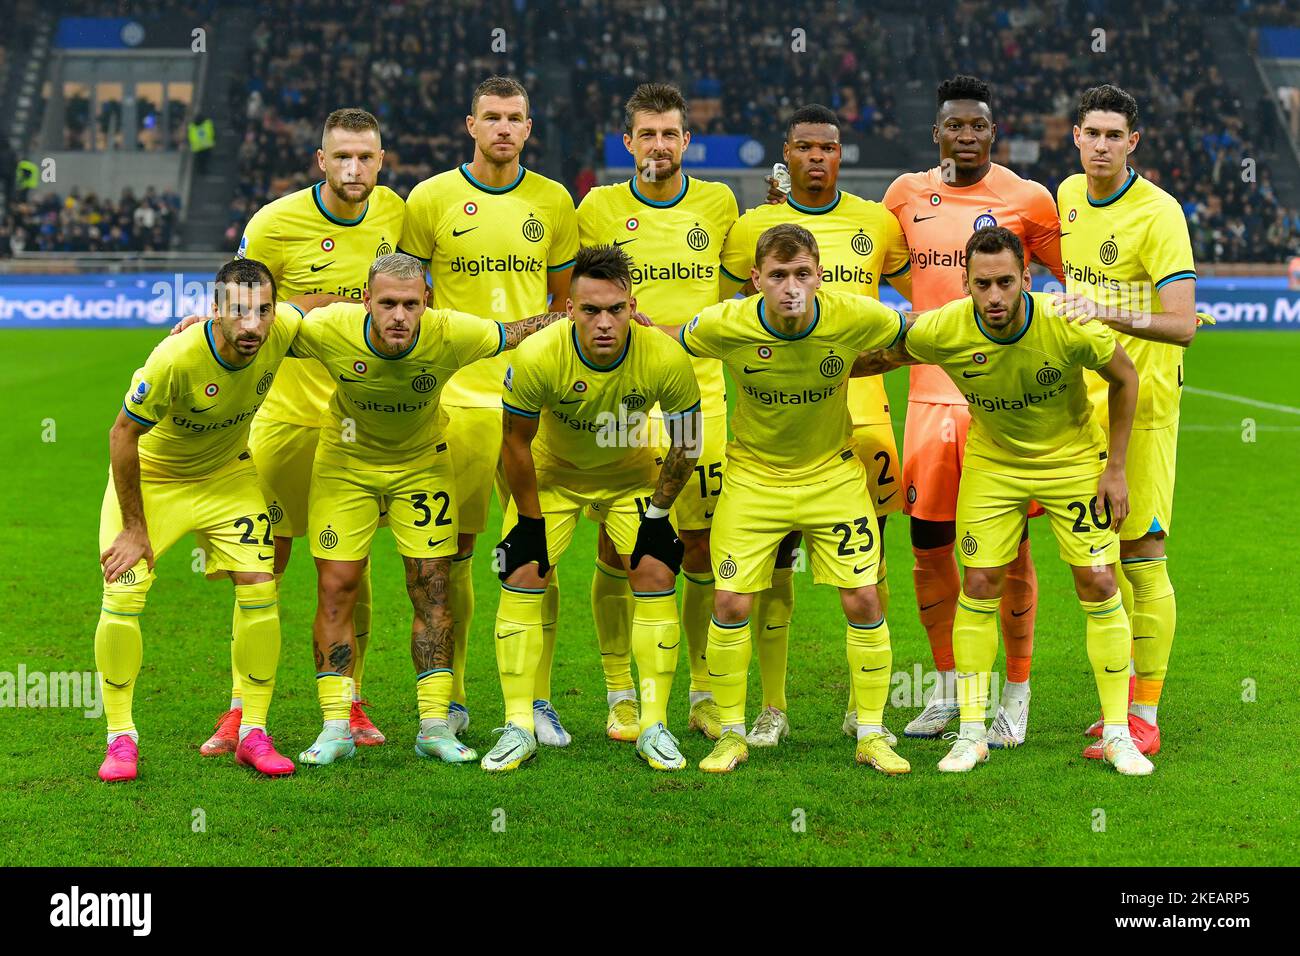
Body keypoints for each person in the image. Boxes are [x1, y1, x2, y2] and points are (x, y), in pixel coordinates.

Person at [859, 226, 1149, 775]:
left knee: (1100, 581)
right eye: (983, 284)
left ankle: (1117, 733)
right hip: (993, 464)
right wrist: (806, 360)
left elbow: (1125, 378)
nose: (994, 297)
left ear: (1026, 280)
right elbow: (884, 355)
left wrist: (1115, 469)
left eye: (1005, 283)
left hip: (1071, 461)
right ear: (966, 282)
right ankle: (971, 733)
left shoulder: (1066, 324)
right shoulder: (946, 326)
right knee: (981, 583)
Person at [290, 253, 565, 766]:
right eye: (387, 303)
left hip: (422, 467)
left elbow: (518, 329)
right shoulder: (331, 328)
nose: (399, 316)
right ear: (365, 300)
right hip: (344, 466)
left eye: (410, 304)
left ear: (428, 303)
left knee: (433, 588)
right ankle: (334, 727)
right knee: (335, 587)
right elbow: (269, 323)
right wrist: (208, 320)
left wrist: (583, 316)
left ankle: (434, 727)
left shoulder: (451, 333)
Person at [667, 223, 913, 775]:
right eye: (778, 275)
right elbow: (666, 339)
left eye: (802, 273)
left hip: (833, 478)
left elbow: (916, 329)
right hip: (753, 482)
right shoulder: (725, 323)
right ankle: (731, 735)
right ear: (755, 280)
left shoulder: (852, 314)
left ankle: (871, 732)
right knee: (730, 603)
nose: (791, 286)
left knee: (865, 599)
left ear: (819, 276)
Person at [201, 108, 406, 755]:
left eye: (365, 157)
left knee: (349, 571)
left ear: (380, 160)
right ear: (320, 160)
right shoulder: (273, 223)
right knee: (262, 568)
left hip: (361, 428)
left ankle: (351, 701)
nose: (354, 169)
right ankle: (241, 709)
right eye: (341, 156)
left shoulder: (394, 214)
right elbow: (240, 316)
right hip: (282, 423)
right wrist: (320, 310)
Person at [881, 75, 1064, 746]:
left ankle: (1015, 690)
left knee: (1008, 555)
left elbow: (1068, 283)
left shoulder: (1028, 199)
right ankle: (950, 685)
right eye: (953, 125)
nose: (965, 135)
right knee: (929, 549)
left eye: (977, 126)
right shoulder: (904, 195)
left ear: (994, 131)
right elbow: (892, 269)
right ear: (937, 133)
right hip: (928, 399)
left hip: (1004, 404)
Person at [95, 258, 330, 782]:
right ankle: (120, 738)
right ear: (215, 310)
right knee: (123, 595)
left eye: (263, 311)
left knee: (260, 589)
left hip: (228, 477)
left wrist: (370, 308)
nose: (253, 325)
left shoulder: (279, 328)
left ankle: (253, 731)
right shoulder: (175, 358)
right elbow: (121, 435)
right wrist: (135, 527)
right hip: (154, 482)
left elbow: (312, 305)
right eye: (239, 312)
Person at [721, 104, 910, 748]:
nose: (817, 158)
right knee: (772, 568)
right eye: (803, 147)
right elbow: (731, 319)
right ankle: (771, 707)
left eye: (827, 148)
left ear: (840, 154)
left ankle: (867, 710)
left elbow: (921, 305)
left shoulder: (876, 221)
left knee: (869, 563)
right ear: (788, 152)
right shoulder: (753, 226)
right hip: (776, 418)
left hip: (862, 408)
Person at [400, 76, 578, 746]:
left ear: (529, 128)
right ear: (469, 124)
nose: (504, 128)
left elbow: (565, 305)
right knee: (456, 552)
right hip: (458, 401)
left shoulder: (554, 201)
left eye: (515, 118)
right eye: (492, 117)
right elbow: (409, 300)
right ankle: (457, 700)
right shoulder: (431, 199)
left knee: (534, 551)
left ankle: (535, 701)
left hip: (535, 399)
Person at [485, 244, 701, 772]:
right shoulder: (537, 355)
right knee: (520, 567)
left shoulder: (664, 356)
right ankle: (518, 724)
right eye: (589, 310)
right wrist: (530, 522)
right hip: (553, 474)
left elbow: (687, 442)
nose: (603, 323)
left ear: (633, 305)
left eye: (615, 309)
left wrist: (657, 516)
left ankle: (654, 725)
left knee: (654, 570)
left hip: (629, 476)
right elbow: (515, 442)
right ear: (569, 310)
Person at [576, 81, 739, 743]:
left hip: (701, 399)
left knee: (700, 546)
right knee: (620, 544)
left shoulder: (719, 203)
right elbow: (584, 305)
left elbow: (737, 294)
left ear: (686, 141)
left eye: (670, 133)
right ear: (628, 143)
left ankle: (702, 692)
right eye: (648, 134)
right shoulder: (598, 207)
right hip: (622, 402)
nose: (660, 145)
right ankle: (620, 693)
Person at [1055, 84, 1201, 759]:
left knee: (1142, 553)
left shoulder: (1160, 213)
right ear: (1075, 135)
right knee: (1098, 557)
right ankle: (1118, 703)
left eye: (1117, 135)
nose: (1104, 145)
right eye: (1094, 133)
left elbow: (1183, 325)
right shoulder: (1067, 197)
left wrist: (1106, 312)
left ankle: (1145, 712)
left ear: (1134, 142)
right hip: (1081, 404)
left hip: (1143, 410)